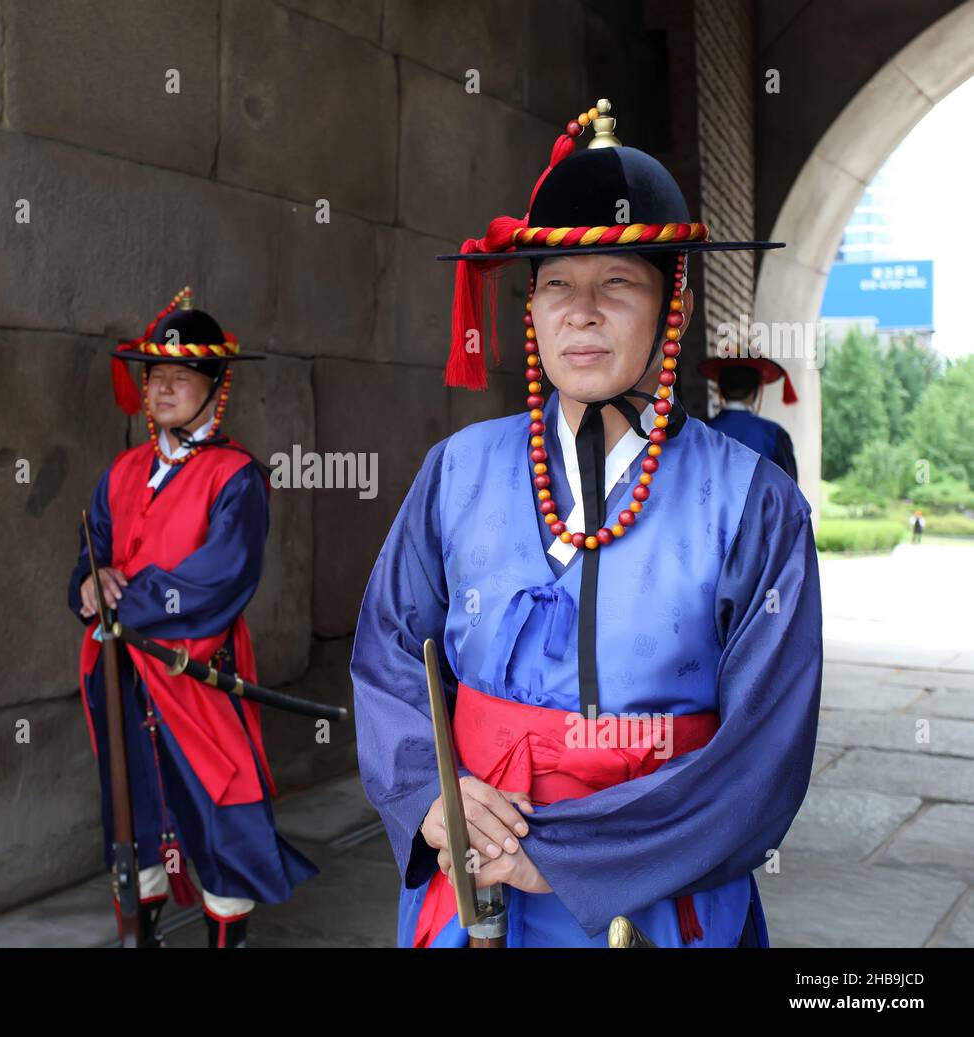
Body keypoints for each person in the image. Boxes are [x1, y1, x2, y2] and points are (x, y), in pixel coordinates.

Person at [351, 99, 823, 947]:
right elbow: (389, 649)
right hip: (477, 864)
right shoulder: (456, 471)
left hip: (659, 885)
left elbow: (767, 748)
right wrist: (429, 792)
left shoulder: (753, 501)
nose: (583, 311)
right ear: (529, 311)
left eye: (618, 283)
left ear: (670, 307)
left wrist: (574, 853)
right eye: (557, 285)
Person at [69, 287, 317, 948]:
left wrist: (131, 597)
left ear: (215, 385)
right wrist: (90, 586)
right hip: (121, 672)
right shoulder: (120, 472)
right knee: (135, 805)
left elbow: (222, 577)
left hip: (195, 672)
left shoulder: (236, 477)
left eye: (183, 377)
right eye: (156, 376)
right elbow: (90, 556)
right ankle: (139, 932)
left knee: (216, 807)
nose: (164, 387)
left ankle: (224, 937)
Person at [698, 355, 800, 480]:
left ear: (720, 389)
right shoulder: (774, 434)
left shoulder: (700, 432)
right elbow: (788, 491)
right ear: (756, 391)